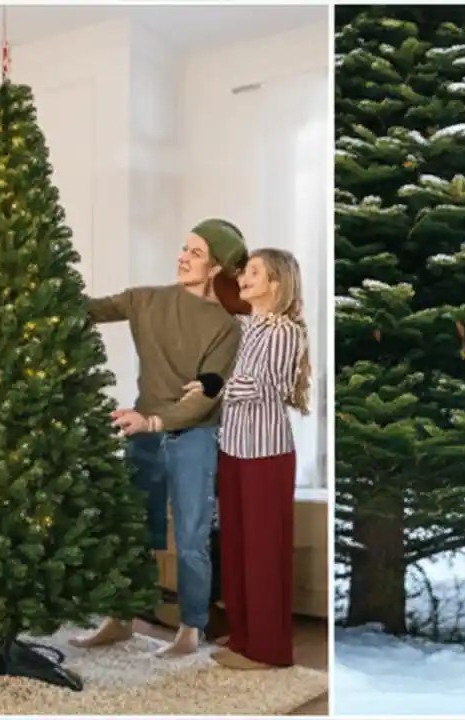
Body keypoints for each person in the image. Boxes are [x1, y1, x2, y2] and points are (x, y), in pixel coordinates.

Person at [71, 219, 247, 656]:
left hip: (193, 438)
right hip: (143, 435)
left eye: (196, 253)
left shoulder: (226, 328)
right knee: (133, 529)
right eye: (184, 247)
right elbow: (83, 309)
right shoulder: (145, 299)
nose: (183, 257)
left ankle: (191, 628)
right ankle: (120, 618)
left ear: (216, 268)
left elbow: (202, 401)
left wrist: (151, 422)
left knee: (190, 538)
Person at [188, 248, 311, 670]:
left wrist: (214, 387)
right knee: (237, 546)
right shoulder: (247, 326)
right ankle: (243, 635)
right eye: (246, 272)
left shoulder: (284, 331)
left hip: (266, 454)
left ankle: (269, 649)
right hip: (235, 448)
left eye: (255, 272)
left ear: (276, 283)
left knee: (262, 550)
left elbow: (263, 388)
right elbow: (218, 304)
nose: (245, 279)